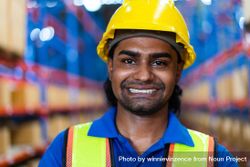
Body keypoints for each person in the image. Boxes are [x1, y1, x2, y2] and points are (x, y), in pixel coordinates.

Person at [39, 0, 238, 166]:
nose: (144, 75)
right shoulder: (65, 151)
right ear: (110, 66)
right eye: (129, 61)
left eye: (159, 63)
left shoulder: (214, 159)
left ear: (177, 70)